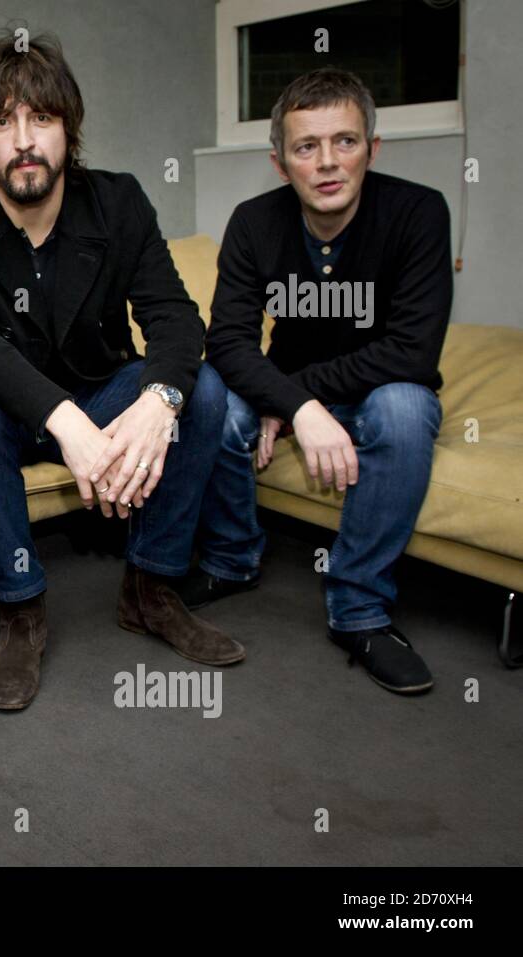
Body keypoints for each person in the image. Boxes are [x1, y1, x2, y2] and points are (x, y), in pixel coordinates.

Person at [0, 34, 241, 711]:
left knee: (201, 391)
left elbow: (177, 319)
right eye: (2, 122)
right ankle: (20, 610)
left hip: (102, 389)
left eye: (42, 117)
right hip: (10, 408)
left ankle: (151, 589)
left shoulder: (118, 203)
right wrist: (66, 423)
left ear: (71, 126)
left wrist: (158, 400)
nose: (24, 140)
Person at [189, 68, 452, 695]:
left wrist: (299, 397)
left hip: (380, 387)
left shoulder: (418, 212)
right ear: (281, 163)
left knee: (406, 412)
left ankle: (359, 610)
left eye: (346, 142)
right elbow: (226, 342)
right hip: (288, 386)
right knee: (214, 403)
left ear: (373, 149)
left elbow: (413, 352)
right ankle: (232, 560)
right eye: (307, 147)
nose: (328, 163)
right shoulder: (254, 223)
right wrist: (294, 402)